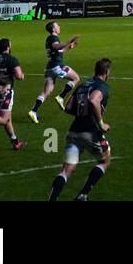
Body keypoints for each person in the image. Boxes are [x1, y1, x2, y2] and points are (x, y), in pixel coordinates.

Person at [49, 58, 113, 201]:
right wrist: (101, 123)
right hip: (91, 132)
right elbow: (93, 100)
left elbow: (68, 107)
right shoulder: (103, 86)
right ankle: (82, 195)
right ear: (106, 72)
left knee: (66, 170)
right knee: (105, 160)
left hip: (74, 131)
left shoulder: (83, 85)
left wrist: (81, 112)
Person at [29, 21, 79, 124]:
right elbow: (57, 47)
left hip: (50, 68)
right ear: (53, 29)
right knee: (76, 78)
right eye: (57, 26)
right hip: (57, 66)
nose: (59, 27)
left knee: (47, 91)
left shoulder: (51, 39)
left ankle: (33, 111)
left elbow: (59, 51)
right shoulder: (53, 38)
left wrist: (69, 46)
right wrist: (69, 40)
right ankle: (61, 96)